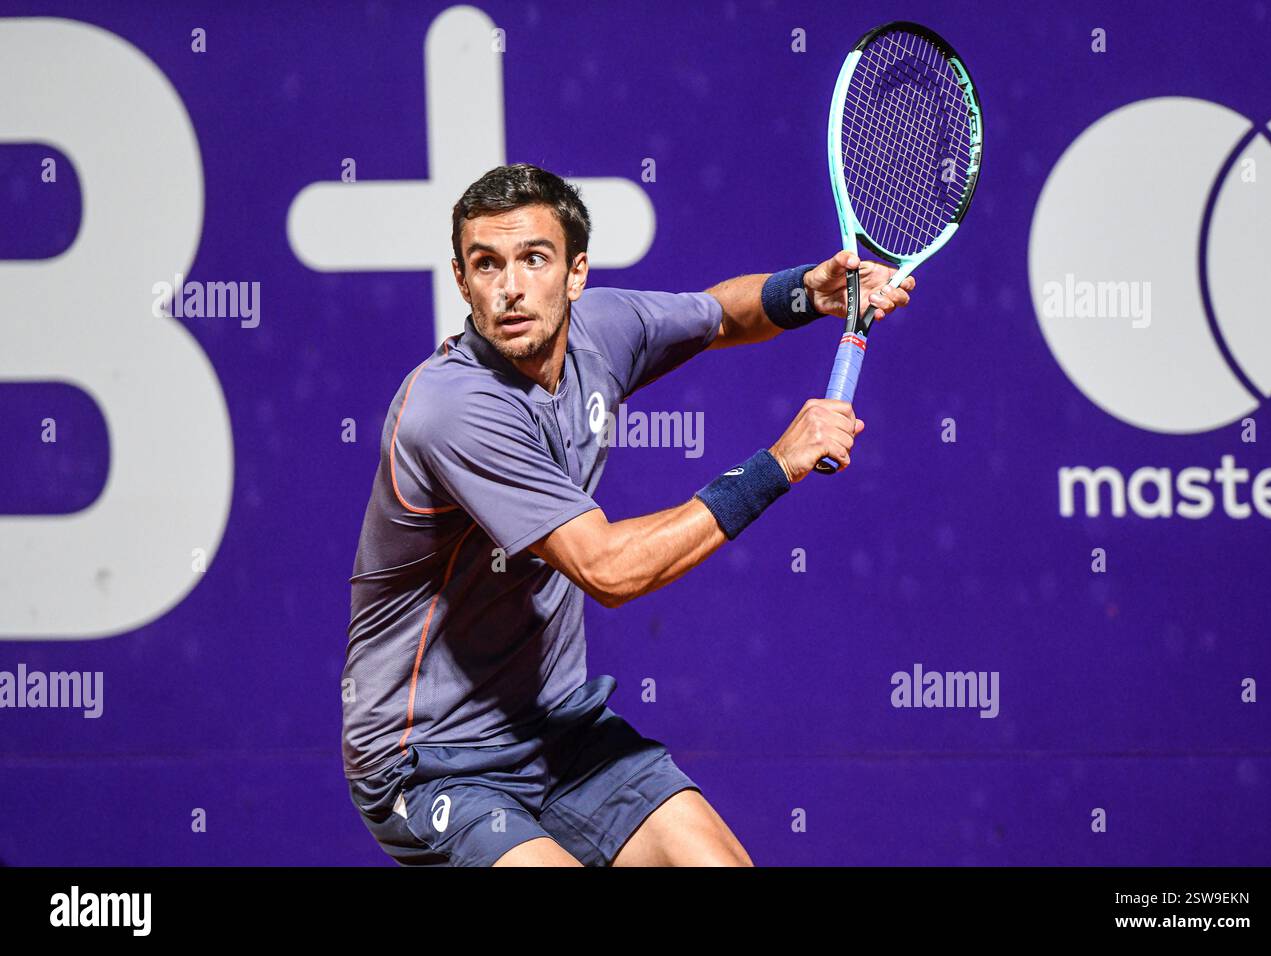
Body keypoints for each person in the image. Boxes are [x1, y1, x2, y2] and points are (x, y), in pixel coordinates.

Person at [342, 163, 916, 866]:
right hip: (428, 759)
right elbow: (608, 570)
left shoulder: (602, 331)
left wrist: (808, 292)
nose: (510, 287)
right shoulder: (453, 410)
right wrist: (778, 463)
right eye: (486, 264)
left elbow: (720, 313)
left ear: (575, 273)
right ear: (462, 282)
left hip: (558, 730)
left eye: (534, 259)